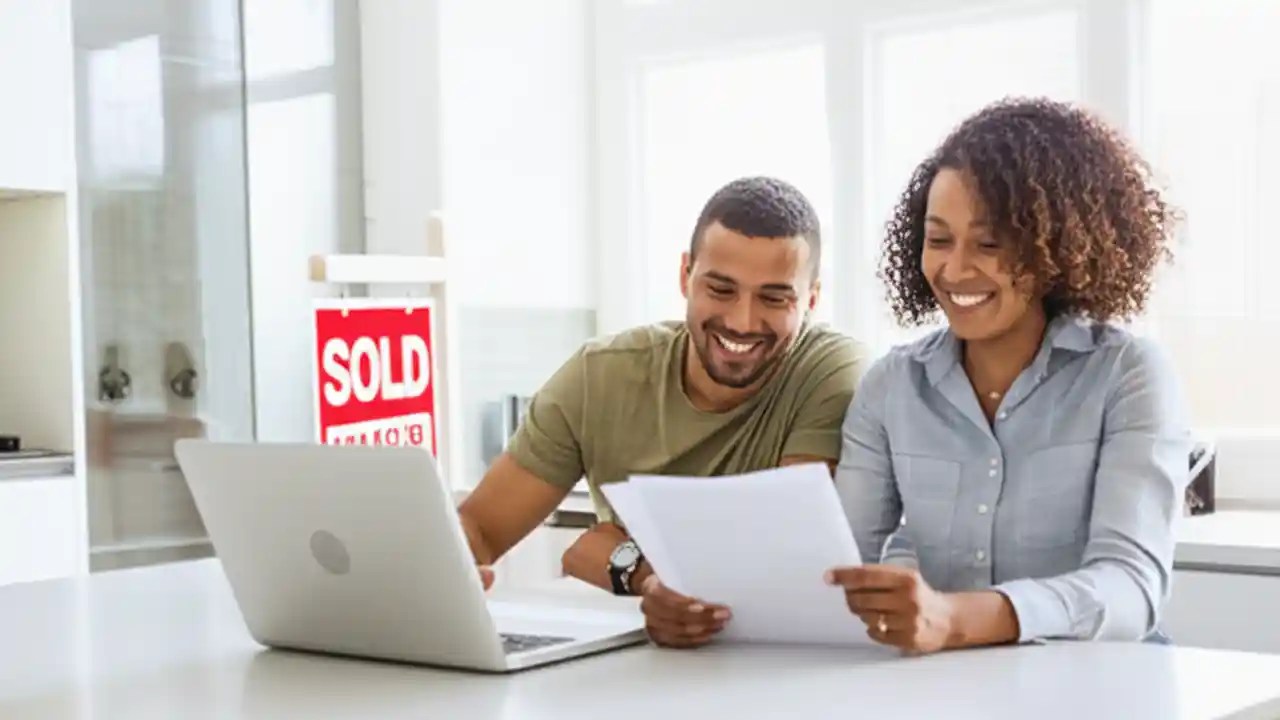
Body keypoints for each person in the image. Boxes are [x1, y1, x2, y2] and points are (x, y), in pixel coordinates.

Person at [827, 97, 1192, 655]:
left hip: (1105, 689)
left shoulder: (1129, 375)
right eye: (939, 238)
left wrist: (957, 618)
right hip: (946, 689)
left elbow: (1130, 588)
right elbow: (840, 565)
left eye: (990, 243)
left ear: (1057, 249)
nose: (954, 269)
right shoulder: (892, 387)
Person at [458, 176, 869, 648]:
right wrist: (643, 577)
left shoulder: (832, 372)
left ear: (812, 299)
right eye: (720, 289)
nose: (742, 320)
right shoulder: (600, 376)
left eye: (774, 298)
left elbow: (778, 560)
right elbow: (481, 528)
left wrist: (615, 550)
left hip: (780, 667)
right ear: (685, 276)